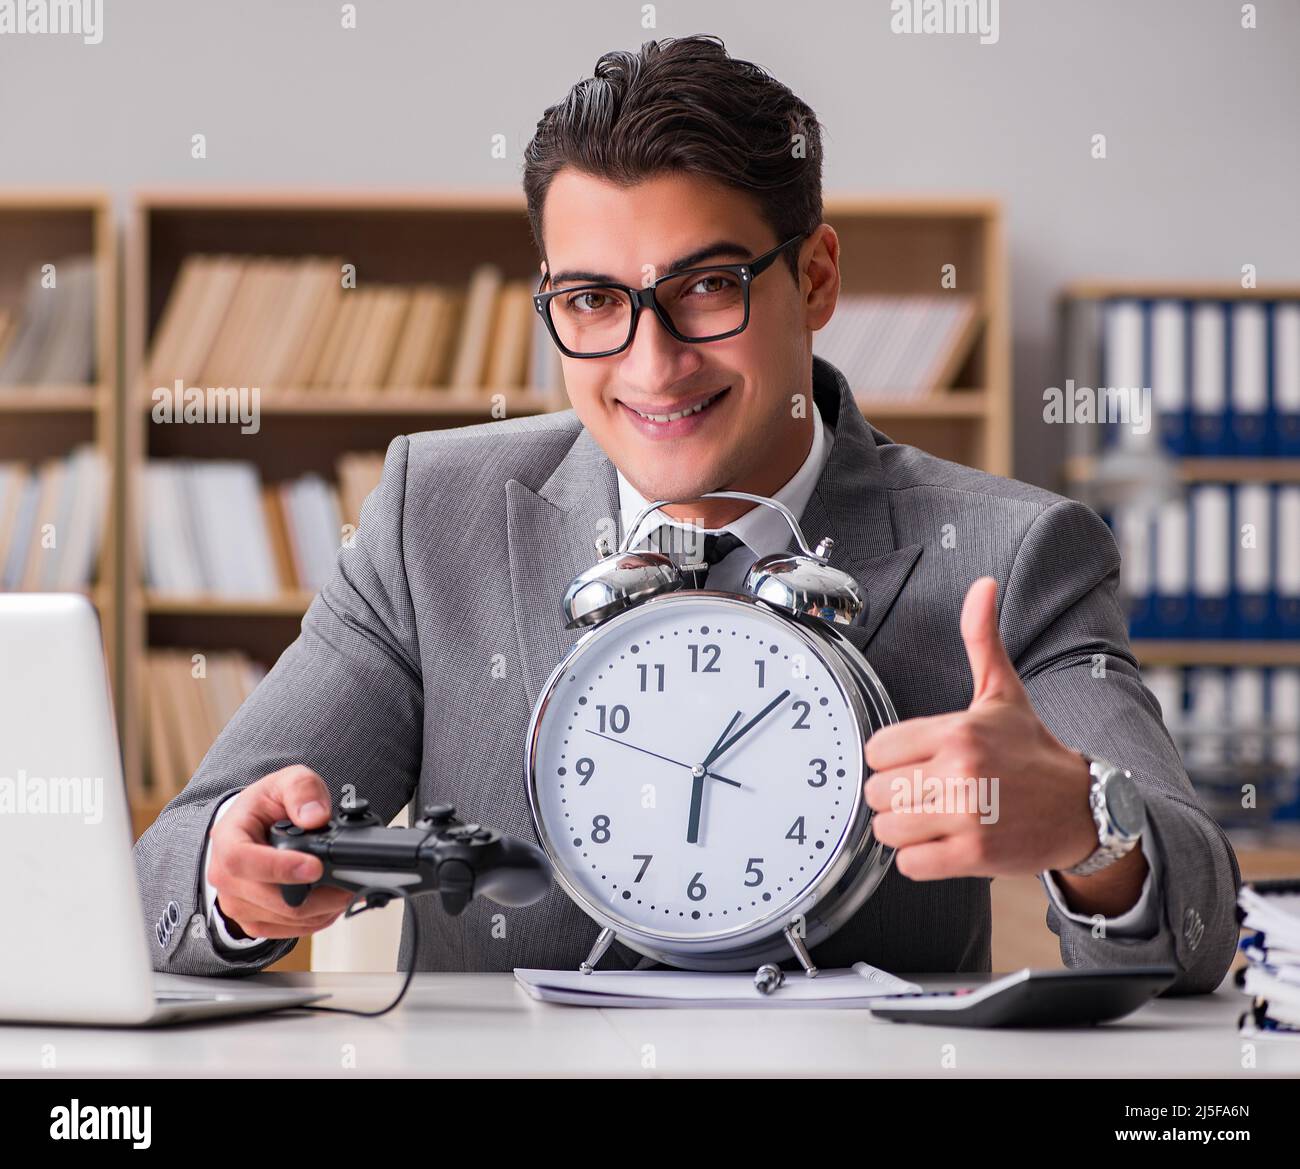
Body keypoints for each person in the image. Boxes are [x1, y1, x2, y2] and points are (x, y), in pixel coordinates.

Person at [135, 33, 1239, 992]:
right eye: (591, 301)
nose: (650, 363)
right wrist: (235, 875)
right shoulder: (438, 520)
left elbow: (1194, 925)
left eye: (707, 287)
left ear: (813, 278)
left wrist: (1092, 825)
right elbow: (162, 875)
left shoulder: (1017, 553)